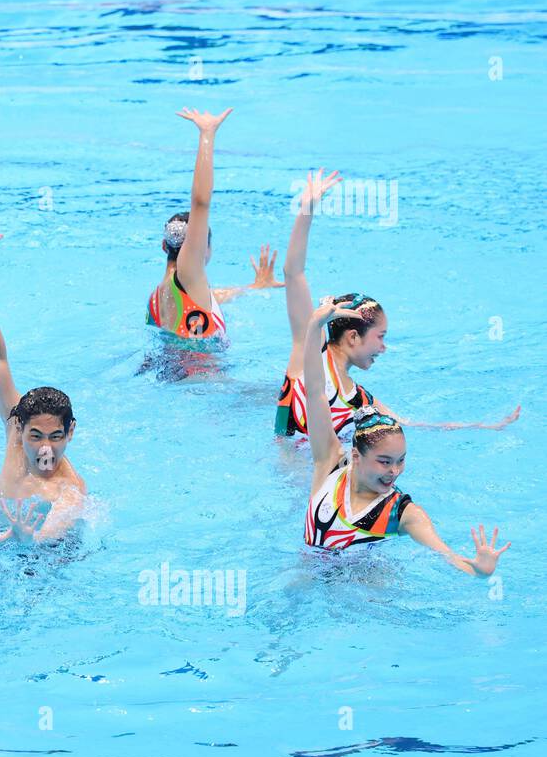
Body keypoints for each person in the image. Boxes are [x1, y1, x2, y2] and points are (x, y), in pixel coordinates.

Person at [277, 168, 520, 436]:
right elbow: (293, 273)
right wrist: (306, 212)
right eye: (380, 337)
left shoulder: (361, 401)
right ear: (354, 337)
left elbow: (409, 424)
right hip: (292, 476)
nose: (383, 348)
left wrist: (485, 427)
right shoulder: (309, 352)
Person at [302, 299, 509, 576]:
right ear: (356, 456)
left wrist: (480, 572)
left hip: (359, 592)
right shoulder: (329, 463)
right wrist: (315, 324)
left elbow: (446, 555)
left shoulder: (402, 513)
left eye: (400, 461)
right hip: (305, 575)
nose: (394, 472)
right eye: (384, 461)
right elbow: (315, 391)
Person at [0, 235, 86, 543]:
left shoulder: (70, 489)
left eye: (56, 437)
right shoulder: (15, 431)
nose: (44, 449)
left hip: (44, 560)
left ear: (71, 433)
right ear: (20, 427)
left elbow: (54, 529)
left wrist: (28, 540)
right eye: (35, 436)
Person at [147, 107, 283, 342]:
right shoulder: (190, 272)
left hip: (173, 374)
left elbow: (215, 296)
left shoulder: (159, 296)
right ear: (203, 250)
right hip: (201, 377)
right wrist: (207, 134)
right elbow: (200, 203)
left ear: (163, 245)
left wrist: (254, 287)